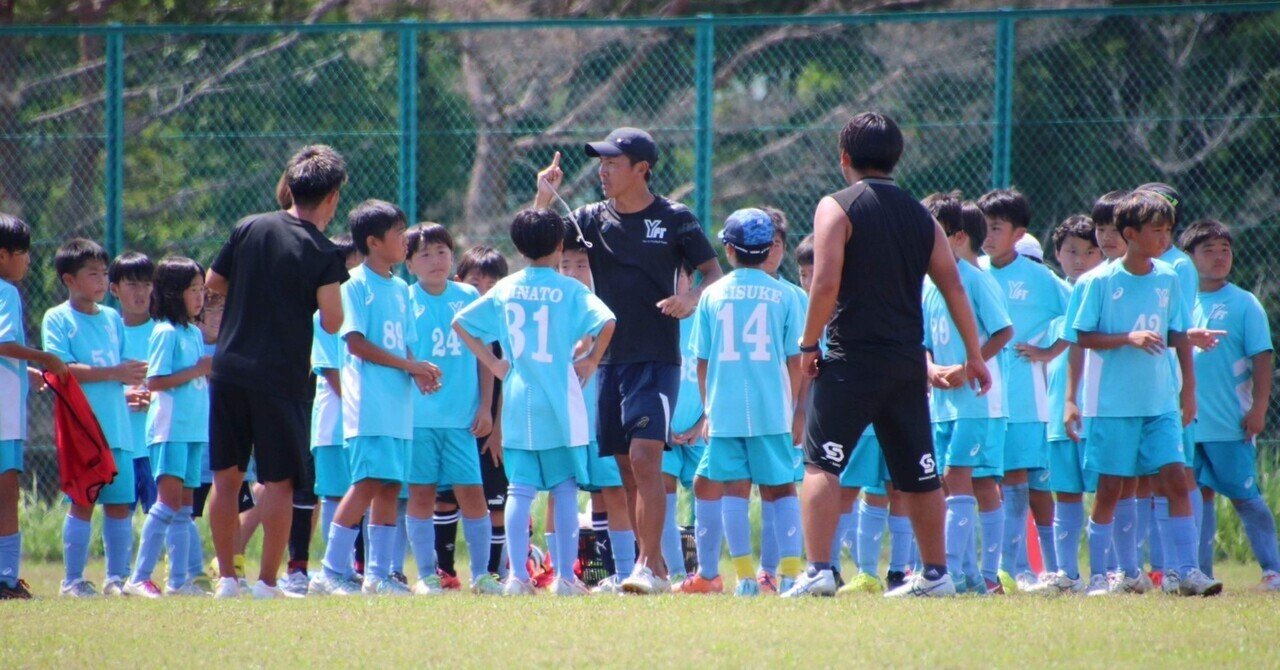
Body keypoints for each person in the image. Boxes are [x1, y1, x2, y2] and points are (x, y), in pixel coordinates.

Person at [791, 112, 991, 599]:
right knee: (920, 473)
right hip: (906, 364)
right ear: (897, 156)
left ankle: (818, 570)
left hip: (850, 358)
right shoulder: (922, 216)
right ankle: (937, 576)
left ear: (844, 158)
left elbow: (826, 281)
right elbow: (953, 285)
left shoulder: (836, 207)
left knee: (821, 464)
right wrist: (974, 355)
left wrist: (809, 343)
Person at [534, 128, 722, 593]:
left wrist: (691, 298)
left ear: (642, 169)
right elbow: (538, 248)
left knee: (645, 458)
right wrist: (543, 198)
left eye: (612, 162)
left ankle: (645, 563)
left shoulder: (675, 218)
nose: (602, 170)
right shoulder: (589, 219)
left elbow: (713, 273)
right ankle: (653, 569)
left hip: (657, 358)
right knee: (625, 468)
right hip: (609, 359)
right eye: (600, 162)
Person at [204, 145, 350, 599]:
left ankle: (228, 579)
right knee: (280, 481)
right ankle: (267, 582)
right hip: (281, 376)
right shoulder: (324, 251)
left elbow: (213, 282)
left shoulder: (249, 226)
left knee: (227, 476)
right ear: (331, 198)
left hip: (228, 369)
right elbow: (332, 320)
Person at [452, 208, 617, 597]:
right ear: (560, 246)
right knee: (563, 488)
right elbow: (607, 321)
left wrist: (493, 362)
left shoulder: (507, 287)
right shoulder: (570, 288)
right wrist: (591, 359)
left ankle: (517, 578)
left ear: (518, 247)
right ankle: (563, 578)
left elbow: (461, 322)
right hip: (559, 398)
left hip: (519, 397)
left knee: (519, 490)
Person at [1070, 190, 1219, 597]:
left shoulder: (1169, 278)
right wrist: (1126, 338)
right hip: (1113, 405)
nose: (1165, 237)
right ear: (1130, 234)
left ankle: (1186, 571)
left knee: (1174, 478)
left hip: (1159, 403)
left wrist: (1189, 385)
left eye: (1169, 229)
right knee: (1111, 488)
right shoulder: (1100, 282)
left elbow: (1176, 334)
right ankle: (1101, 575)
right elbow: (1082, 336)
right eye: (1157, 230)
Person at [311, 200, 438, 598]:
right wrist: (408, 365)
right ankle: (331, 570)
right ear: (373, 241)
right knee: (365, 482)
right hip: (368, 408)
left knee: (389, 487)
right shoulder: (354, 285)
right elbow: (356, 344)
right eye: (399, 234)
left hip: (398, 408)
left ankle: (378, 575)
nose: (406, 241)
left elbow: (408, 346)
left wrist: (418, 372)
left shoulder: (401, 288)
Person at [676, 208, 803, 597]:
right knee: (782, 489)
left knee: (733, 488)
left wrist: (708, 408)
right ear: (769, 249)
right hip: (771, 410)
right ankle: (791, 576)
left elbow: (702, 360)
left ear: (728, 250)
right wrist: (792, 406)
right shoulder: (784, 294)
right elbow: (795, 360)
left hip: (726, 411)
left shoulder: (712, 294)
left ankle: (746, 578)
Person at [921, 193, 1014, 595]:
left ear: (957, 237)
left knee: (962, 478)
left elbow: (1004, 331)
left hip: (978, 401)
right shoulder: (926, 283)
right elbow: (922, 340)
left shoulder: (975, 280)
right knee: (950, 482)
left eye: (933, 234)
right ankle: (972, 577)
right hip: (943, 403)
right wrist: (930, 368)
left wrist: (968, 366)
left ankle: (954, 574)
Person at [977, 188, 1070, 591]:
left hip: (1022, 400)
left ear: (1019, 234)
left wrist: (1050, 350)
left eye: (996, 227)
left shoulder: (1038, 277)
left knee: (1017, 481)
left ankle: (1012, 570)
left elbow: (1082, 313)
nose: (988, 234)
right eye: (982, 226)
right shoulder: (973, 271)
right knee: (981, 481)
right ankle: (989, 568)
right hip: (977, 398)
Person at [403, 223, 502, 596]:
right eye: (424, 254)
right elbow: (401, 352)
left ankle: (482, 575)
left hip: (462, 420)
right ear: (409, 263)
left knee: (472, 495)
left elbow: (487, 358)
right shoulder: (405, 299)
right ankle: (428, 575)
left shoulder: (468, 297)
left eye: (442, 251)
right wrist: (414, 370)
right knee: (422, 495)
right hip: (419, 420)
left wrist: (487, 409)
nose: (435, 260)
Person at [44, 238, 146, 597]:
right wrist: (114, 373)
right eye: (92, 274)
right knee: (84, 502)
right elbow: (61, 369)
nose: (102, 281)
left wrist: (129, 387)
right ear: (69, 279)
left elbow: (120, 370)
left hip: (117, 428)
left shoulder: (112, 318)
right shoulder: (57, 318)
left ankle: (117, 579)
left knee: (119, 504)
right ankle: (72, 580)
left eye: (104, 273)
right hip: (82, 429)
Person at [1181, 220, 1278, 589]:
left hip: (1230, 423)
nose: (1220, 257)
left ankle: (1273, 570)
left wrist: (1258, 409)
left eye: (1225, 249)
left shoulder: (1244, 303)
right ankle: (1202, 573)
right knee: (1196, 495)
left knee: (1244, 495)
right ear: (1189, 257)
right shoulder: (1180, 301)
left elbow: (1262, 358)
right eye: (1208, 250)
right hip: (1189, 421)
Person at [125, 257, 212, 597]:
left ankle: (180, 581)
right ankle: (139, 577)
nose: (200, 297)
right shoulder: (165, 331)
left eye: (202, 289)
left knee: (185, 509)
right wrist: (199, 369)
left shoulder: (192, 331)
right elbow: (157, 381)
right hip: (170, 430)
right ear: (174, 293)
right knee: (167, 504)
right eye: (194, 290)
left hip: (192, 432)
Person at [1026, 215, 1104, 595]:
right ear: (1056, 253)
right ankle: (1067, 574)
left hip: (1099, 411)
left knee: (1108, 491)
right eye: (1071, 251)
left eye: (1090, 251)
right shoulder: (1055, 302)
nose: (1079, 259)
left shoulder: (1103, 294)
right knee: (1066, 493)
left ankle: (1109, 573)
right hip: (1059, 414)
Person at [558, 236, 636, 595]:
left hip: (600, 418)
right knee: (562, 493)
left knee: (613, 492)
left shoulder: (603, 309)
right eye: (565, 265)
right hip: (564, 421)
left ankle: (622, 573)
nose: (573, 272)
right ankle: (562, 572)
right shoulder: (555, 304)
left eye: (581, 264)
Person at [0, 214, 67, 599]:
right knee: (7, 490)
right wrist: (45, 358)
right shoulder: (7, 292)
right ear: (4, 255)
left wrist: (26, 372)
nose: (28, 262)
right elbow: (4, 343)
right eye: (23, 254)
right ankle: (7, 578)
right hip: (5, 416)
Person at [455, 246, 512, 580]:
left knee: (496, 502)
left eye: (493, 286)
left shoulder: (504, 326)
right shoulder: (454, 323)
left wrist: (498, 430)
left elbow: (508, 382)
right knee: (445, 499)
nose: (484, 293)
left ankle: (494, 571)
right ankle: (445, 569)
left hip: (492, 429)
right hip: (453, 424)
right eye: (477, 284)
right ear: (459, 282)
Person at [660, 264, 705, 588]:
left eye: (677, 275)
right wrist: (661, 426)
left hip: (701, 431)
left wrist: (703, 420)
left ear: (690, 280)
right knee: (661, 495)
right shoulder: (654, 322)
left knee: (707, 494)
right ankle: (676, 572)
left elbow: (718, 374)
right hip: (663, 431)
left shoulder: (707, 317)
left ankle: (706, 573)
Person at [110, 252, 158, 516]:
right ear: (114, 289)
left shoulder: (163, 331)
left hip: (156, 445)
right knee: (118, 518)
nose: (141, 292)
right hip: (121, 445)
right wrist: (123, 396)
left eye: (146, 284)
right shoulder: (108, 332)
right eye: (132, 284)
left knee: (164, 516)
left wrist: (154, 396)